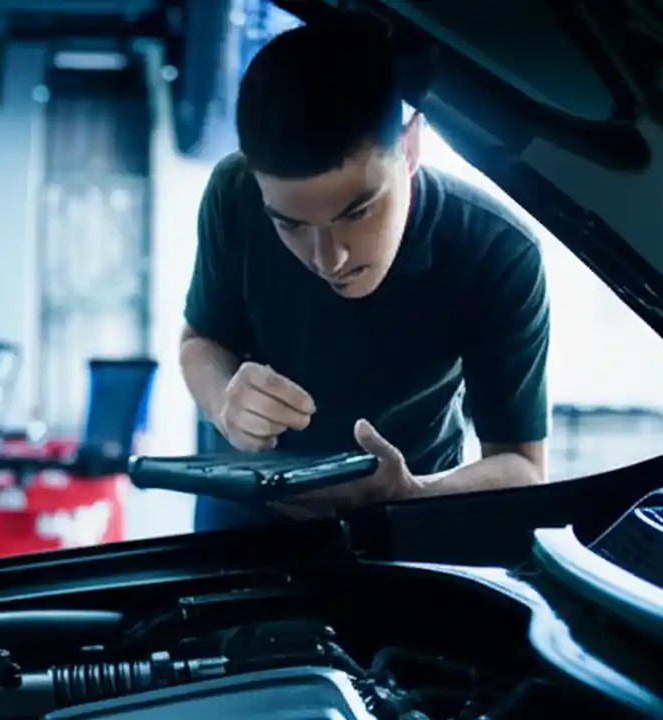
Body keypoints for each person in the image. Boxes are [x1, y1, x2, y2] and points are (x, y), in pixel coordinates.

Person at [180, 18, 551, 531]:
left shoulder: (497, 249)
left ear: (411, 148)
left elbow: (523, 467)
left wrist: (410, 494)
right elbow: (200, 340)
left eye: (357, 213)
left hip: (417, 512)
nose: (328, 258)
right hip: (248, 508)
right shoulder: (233, 193)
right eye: (290, 225)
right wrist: (223, 401)